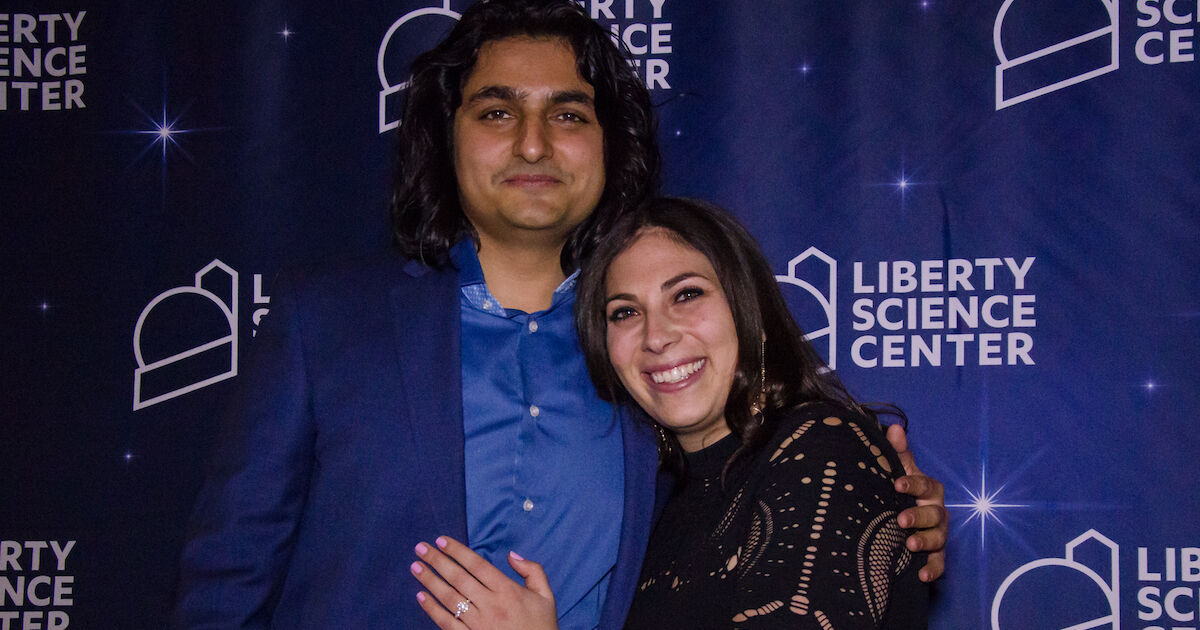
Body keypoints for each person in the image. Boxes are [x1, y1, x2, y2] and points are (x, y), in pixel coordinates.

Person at [173, 1, 946, 628]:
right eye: (498, 113)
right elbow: (228, 579)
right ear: (448, 139)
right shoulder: (323, 324)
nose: (535, 143)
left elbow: (745, 499)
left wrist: (881, 520)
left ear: (610, 145)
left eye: (569, 115)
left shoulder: (652, 364)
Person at [409, 198, 928, 629]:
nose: (656, 337)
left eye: (687, 294)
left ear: (753, 311)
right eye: (626, 312)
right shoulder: (652, 496)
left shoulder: (820, 447)